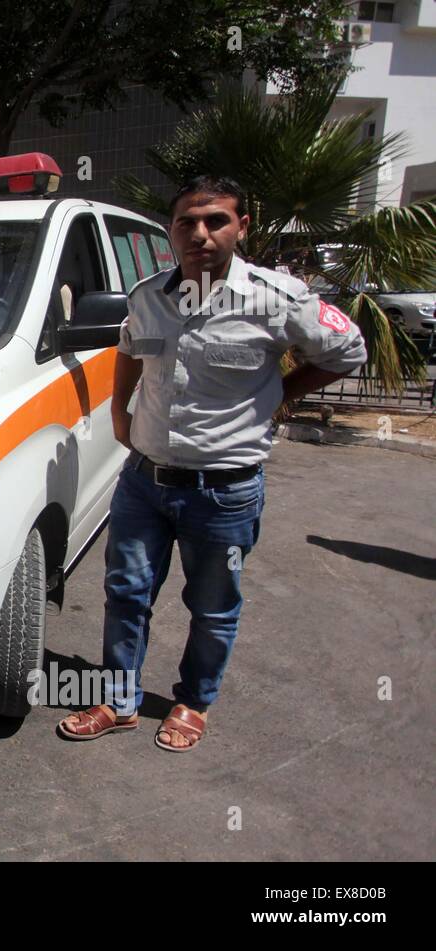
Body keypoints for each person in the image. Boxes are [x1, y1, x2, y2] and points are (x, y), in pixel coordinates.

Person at [58, 176, 366, 751]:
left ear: (240, 227)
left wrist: (285, 392)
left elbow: (348, 351)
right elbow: (129, 347)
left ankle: (193, 701)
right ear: (172, 231)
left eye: (216, 221)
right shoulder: (149, 295)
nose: (200, 233)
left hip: (223, 491)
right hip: (143, 483)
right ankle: (119, 700)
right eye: (186, 223)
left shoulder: (279, 298)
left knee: (212, 605)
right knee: (125, 591)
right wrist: (121, 418)